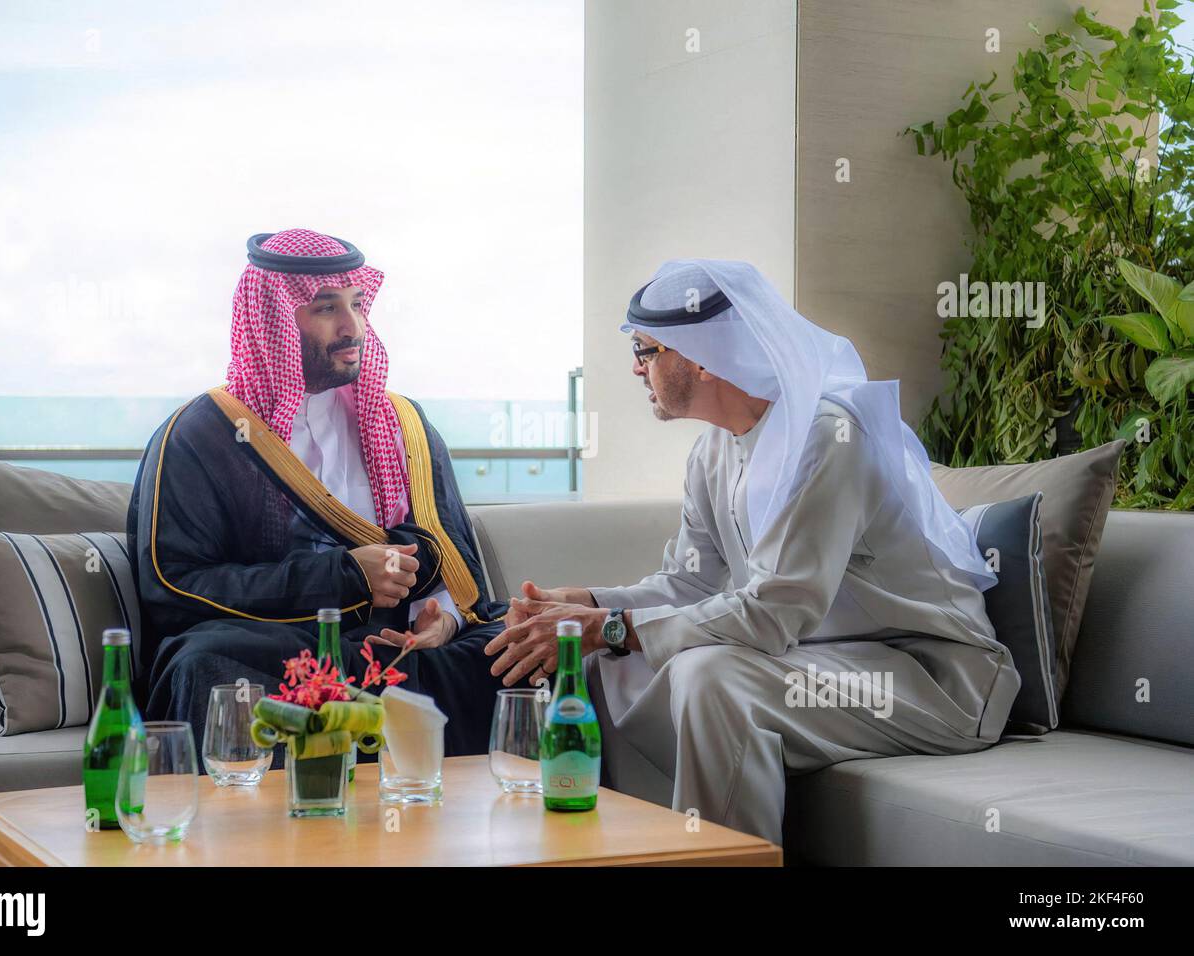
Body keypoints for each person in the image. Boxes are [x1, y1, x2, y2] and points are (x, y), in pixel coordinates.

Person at [486, 258, 1020, 843]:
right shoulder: (713, 451)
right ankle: (634, 853)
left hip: (933, 678)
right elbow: (689, 585)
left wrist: (610, 624)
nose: (635, 369)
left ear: (703, 356)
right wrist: (584, 605)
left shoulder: (828, 437)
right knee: (603, 661)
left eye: (646, 351)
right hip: (827, 660)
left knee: (712, 676)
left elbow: (774, 612)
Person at [127, 228, 505, 759]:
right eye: (326, 308)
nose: (352, 327)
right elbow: (176, 585)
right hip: (286, 645)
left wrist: (441, 618)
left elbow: (458, 556)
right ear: (274, 319)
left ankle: (494, 832)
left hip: (400, 648)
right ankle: (271, 834)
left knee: (525, 642)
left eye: (358, 304)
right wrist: (345, 578)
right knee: (210, 660)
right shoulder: (203, 434)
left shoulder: (404, 424)